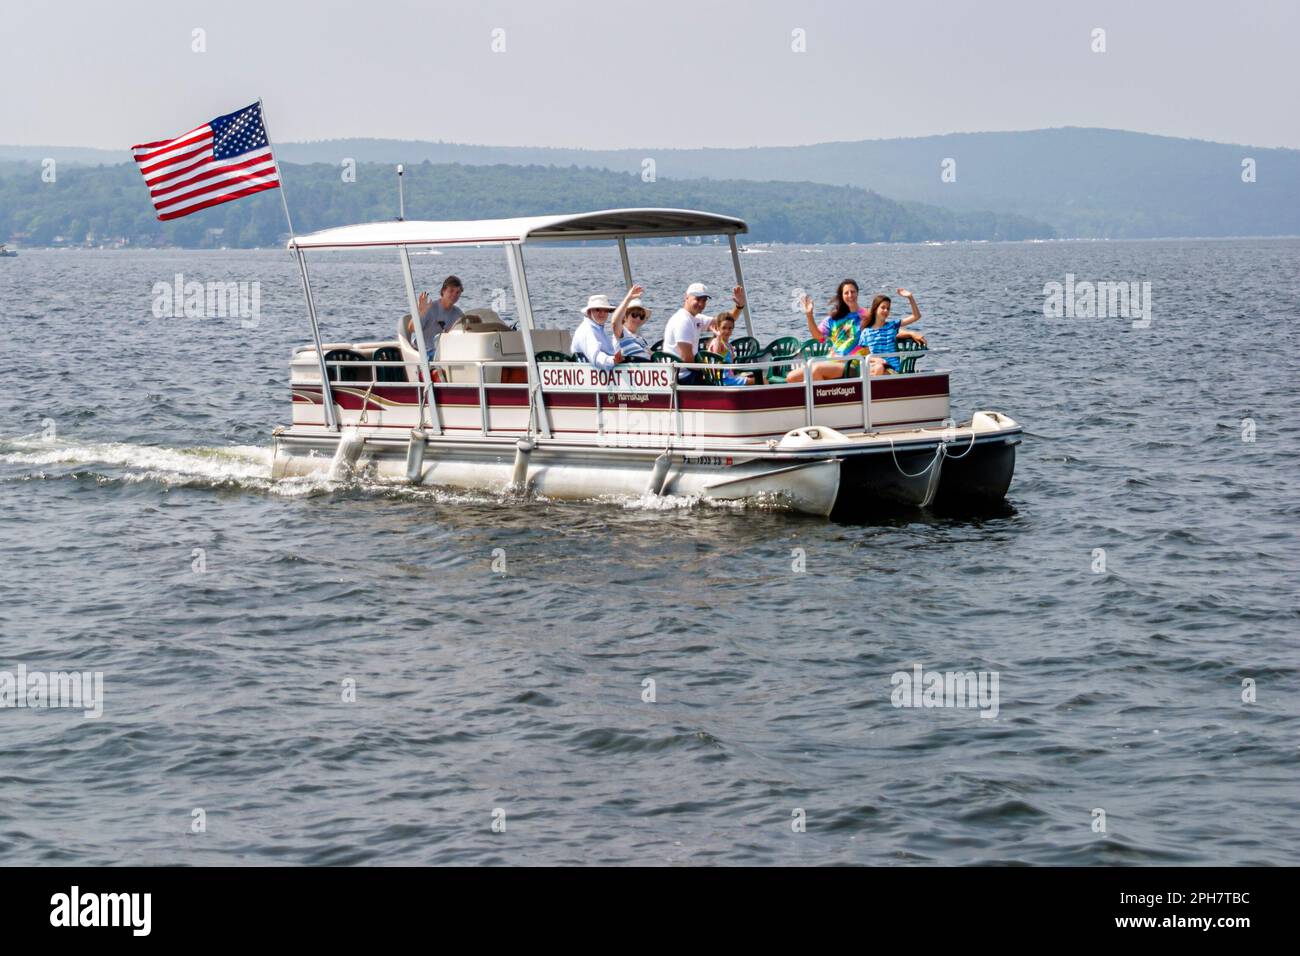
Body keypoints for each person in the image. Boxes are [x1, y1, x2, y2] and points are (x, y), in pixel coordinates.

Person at [662, 282, 746, 383]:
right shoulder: (682, 321)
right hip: (681, 376)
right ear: (687, 297)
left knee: (726, 375)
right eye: (697, 299)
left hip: (688, 371)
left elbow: (725, 322)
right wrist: (710, 369)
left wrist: (739, 306)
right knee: (723, 378)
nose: (701, 304)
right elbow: (687, 360)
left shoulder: (695, 318)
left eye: (704, 300)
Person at [570, 285, 643, 369]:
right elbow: (596, 357)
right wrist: (613, 360)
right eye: (598, 310)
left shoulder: (599, 329)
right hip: (589, 376)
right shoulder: (586, 330)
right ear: (589, 312)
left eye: (605, 310)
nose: (602, 313)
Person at [860, 289, 923, 374]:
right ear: (875, 309)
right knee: (873, 368)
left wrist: (910, 297)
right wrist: (876, 359)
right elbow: (862, 355)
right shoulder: (866, 332)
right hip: (875, 366)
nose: (886, 311)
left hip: (892, 369)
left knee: (878, 369)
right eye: (883, 308)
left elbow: (916, 316)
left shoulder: (892, 326)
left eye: (888, 309)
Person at [406, 275, 464, 359]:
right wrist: (420, 313)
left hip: (444, 352)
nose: (454, 295)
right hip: (423, 352)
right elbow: (411, 329)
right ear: (443, 291)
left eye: (458, 292)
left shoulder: (458, 313)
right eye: (451, 291)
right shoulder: (429, 308)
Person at [706, 312, 754, 385]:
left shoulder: (728, 345)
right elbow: (716, 354)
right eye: (724, 328)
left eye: (730, 328)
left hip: (729, 377)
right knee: (759, 380)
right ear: (718, 328)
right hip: (723, 380)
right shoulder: (716, 342)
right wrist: (718, 336)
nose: (727, 331)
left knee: (753, 376)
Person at [613, 296, 652, 361]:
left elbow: (652, 355)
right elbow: (614, 323)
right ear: (625, 317)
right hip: (632, 368)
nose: (638, 319)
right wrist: (628, 298)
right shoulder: (622, 333)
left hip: (649, 367)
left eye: (641, 316)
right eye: (634, 315)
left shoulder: (641, 339)